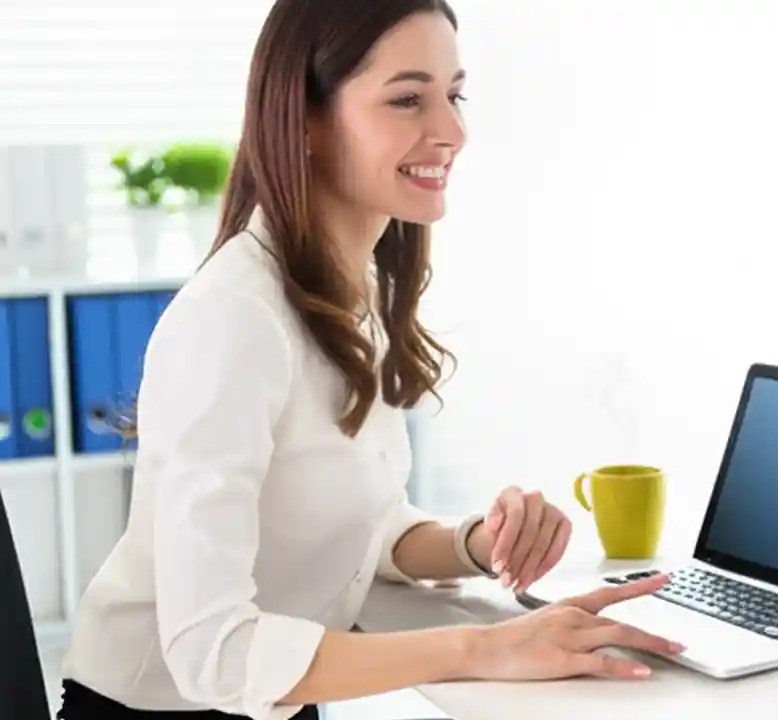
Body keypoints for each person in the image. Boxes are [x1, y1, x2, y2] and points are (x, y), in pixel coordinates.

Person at [57, 1, 682, 718]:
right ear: (305, 120)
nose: (452, 131)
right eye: (408, 99)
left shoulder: (357, 289)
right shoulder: (233, 320)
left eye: (454, 94)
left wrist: (476, 543)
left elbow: (356, 529)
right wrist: (487, 647)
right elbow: (213, 654)